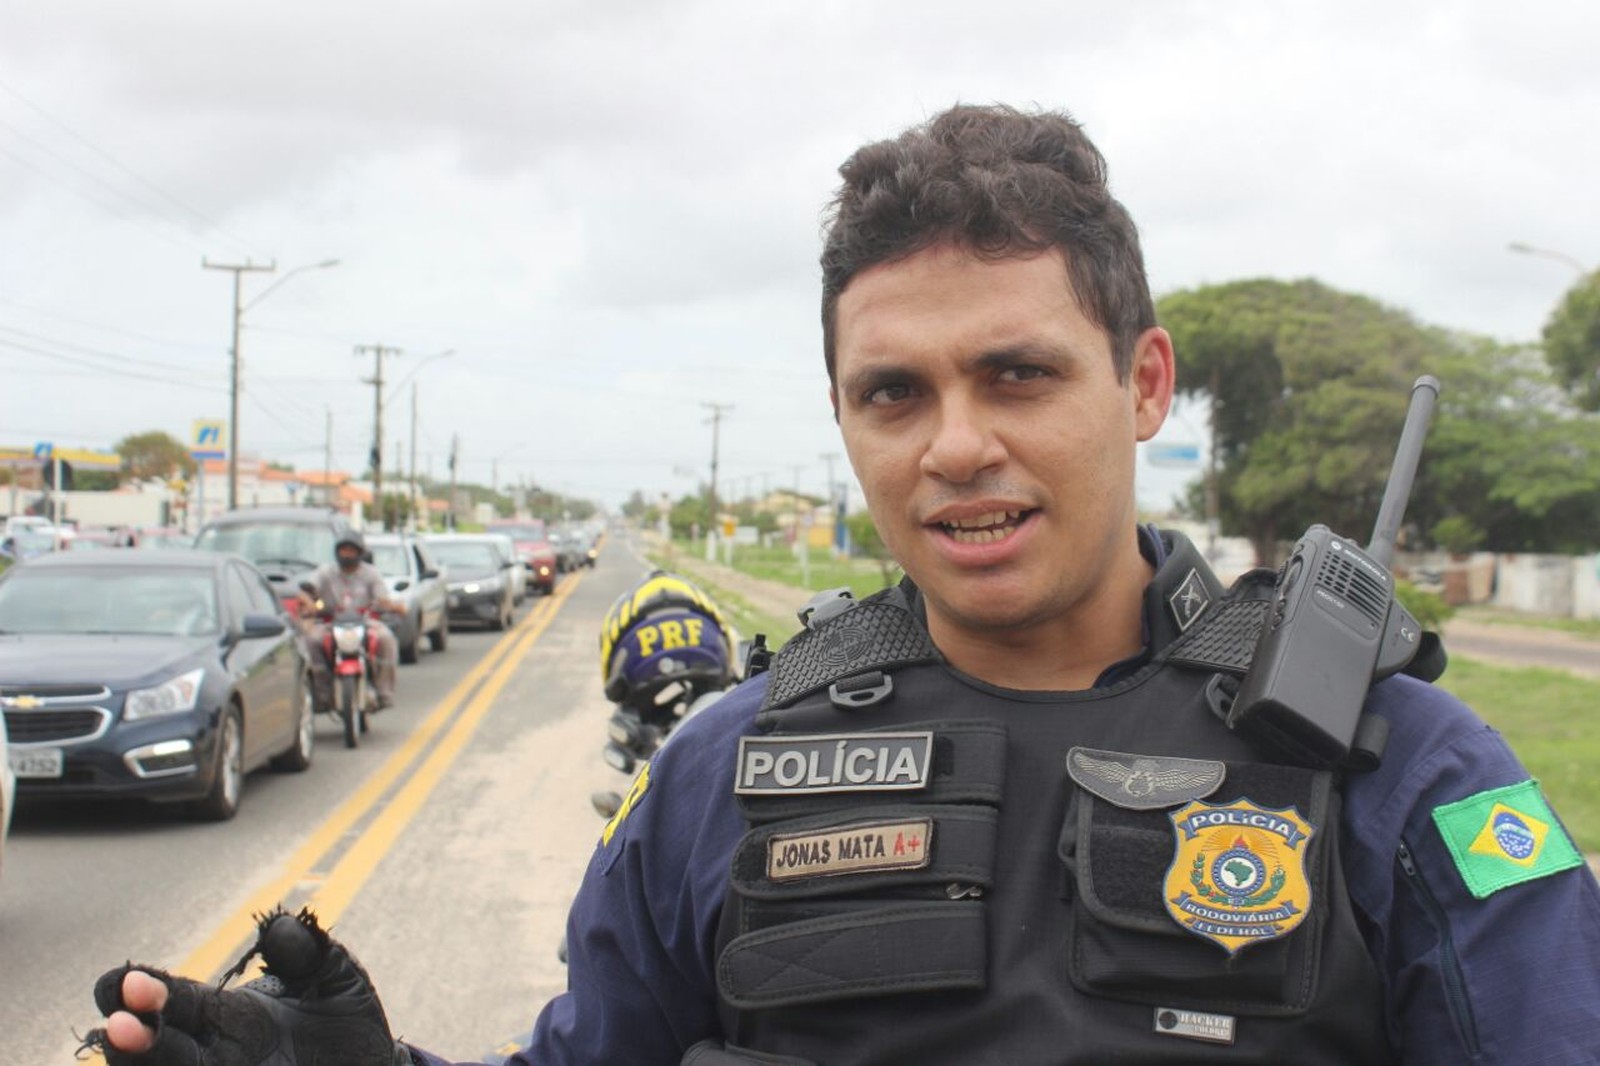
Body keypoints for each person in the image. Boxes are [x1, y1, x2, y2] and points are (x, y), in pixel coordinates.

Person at [86, 104, 1600, 1065]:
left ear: (1143, 384)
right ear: (844, 419)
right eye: (894, 394)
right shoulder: (717, 770)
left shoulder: (1397, 768)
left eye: (1017, 372)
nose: (956, 445)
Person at [298, 529, 402, 711]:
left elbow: (383, 598)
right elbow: (306, 591)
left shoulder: (371, 574)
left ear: (360, 552)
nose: (347, 554)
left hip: (365, 622)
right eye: (343, 550)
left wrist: (392, 606)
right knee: (311, 640)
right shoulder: (326, 571)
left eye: (351, 550)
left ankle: (384, 693)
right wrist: (309, 603)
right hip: (331, 623)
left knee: (387, 639)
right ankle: (321, 695)